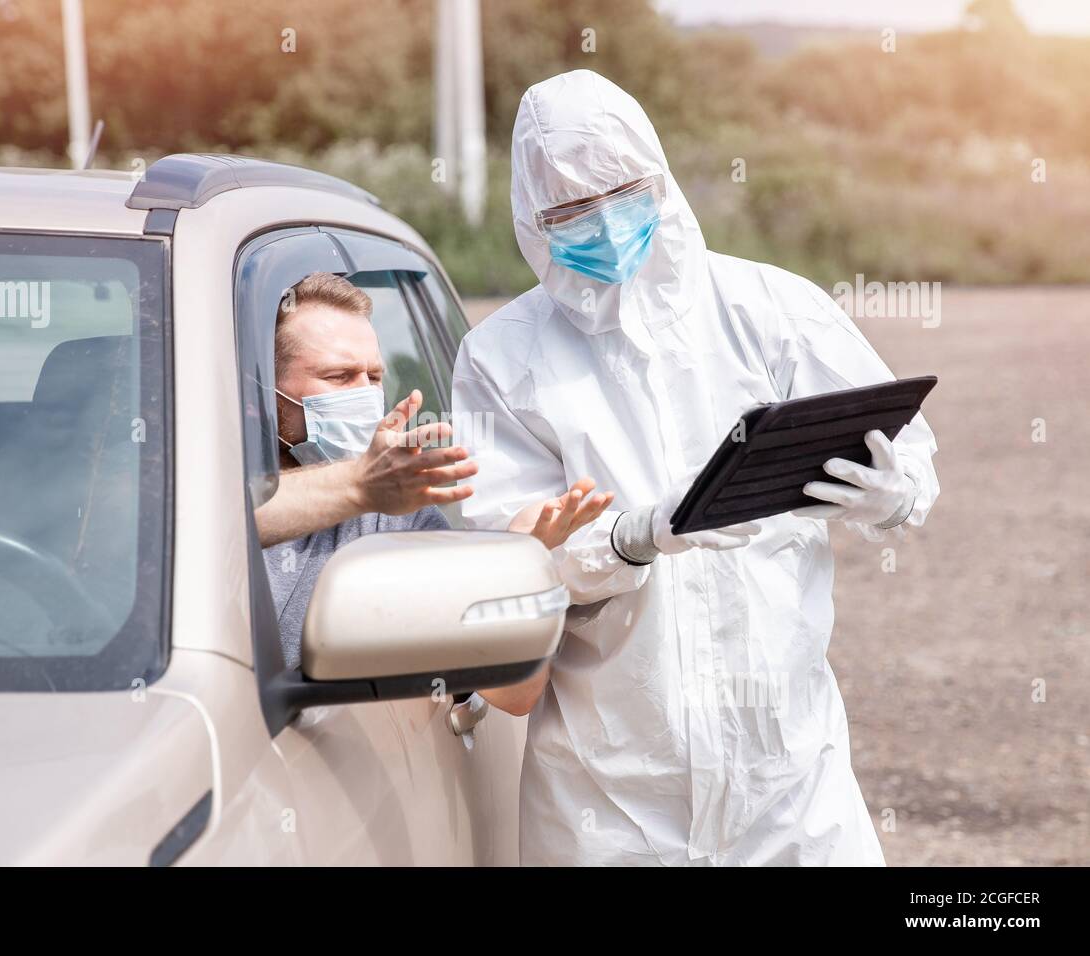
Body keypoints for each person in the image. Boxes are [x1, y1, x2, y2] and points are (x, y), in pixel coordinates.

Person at [451, 70, 940, 866]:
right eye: (571, 211)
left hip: (787, 775)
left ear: (660, 178)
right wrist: (631, 539)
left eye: (623, 192)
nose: (606, 226)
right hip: (610, 792)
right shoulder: (503, 361)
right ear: (532, 219)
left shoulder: (774, 309)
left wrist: (890, 493)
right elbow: (504, 562)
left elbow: (912, 452)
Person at [257, 272, 608, 670]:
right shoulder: (197, 492)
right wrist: (356, 486)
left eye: (373, 377)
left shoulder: (395, 518)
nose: (365, 395)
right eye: (338, 376)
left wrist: (519, 563)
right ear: (262, 393)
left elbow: (512, 698)